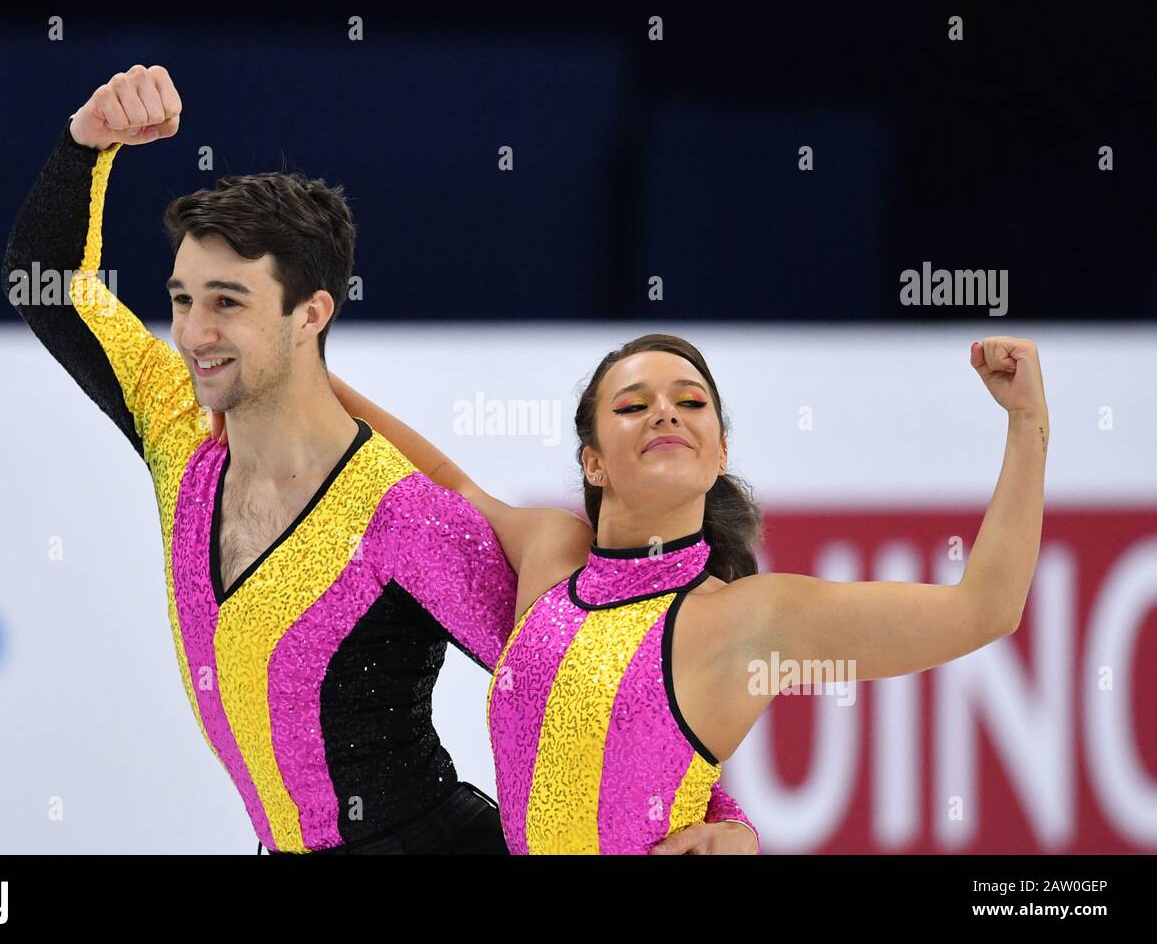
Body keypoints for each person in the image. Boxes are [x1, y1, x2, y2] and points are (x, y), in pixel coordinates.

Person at [4, 64, 756, 854]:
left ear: (311, 314)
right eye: (184, 299)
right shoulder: (180, 430)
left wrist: (725, 825)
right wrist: (86, 144)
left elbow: (593, 687)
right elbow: (48, 283)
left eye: (228, 302)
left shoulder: (404, 520)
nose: (192, 333)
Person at [304, 332, 1047, 852]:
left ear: (720, 451)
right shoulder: (550, 561)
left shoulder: (749, 623)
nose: (665, 411)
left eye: (691, 403)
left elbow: (983, 609)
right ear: (592, 462)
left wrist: (1028, 424)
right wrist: (299, 367)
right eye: (633, 405)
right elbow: (443, 483)